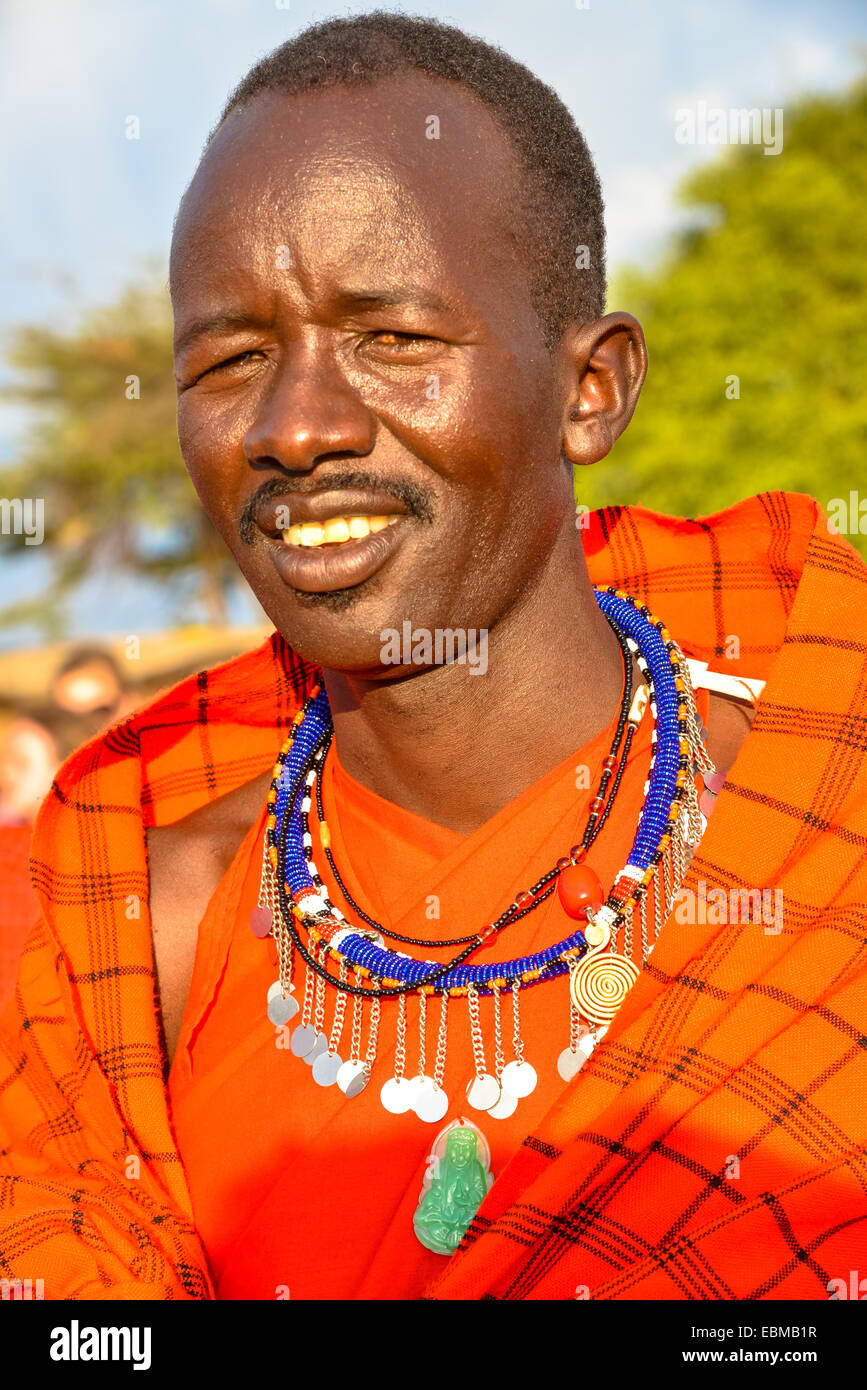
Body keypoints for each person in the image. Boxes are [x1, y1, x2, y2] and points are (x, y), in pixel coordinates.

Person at [1, 13, 865, 1302]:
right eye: (231, 359)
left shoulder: (820, 835)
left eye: (392, 339)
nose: (298, 427)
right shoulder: (139, 931)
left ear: (593, 391)